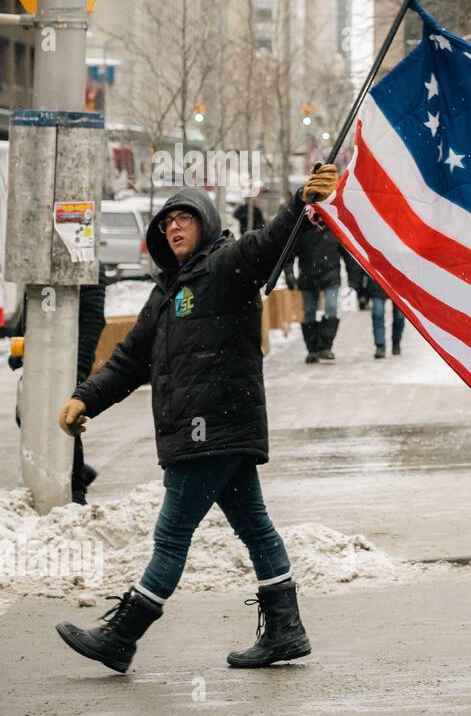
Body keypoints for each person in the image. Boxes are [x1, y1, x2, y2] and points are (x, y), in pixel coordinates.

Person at [52, 165, 339, 674]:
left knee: (171, 535)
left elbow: (269, 243)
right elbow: (128, 361)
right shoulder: (165, 293)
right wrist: (85, 399)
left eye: (185, 218)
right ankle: (285, 629)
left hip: (212, 427)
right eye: (167, 223)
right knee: (256, 528)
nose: (175, 228)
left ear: (204, 223)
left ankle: (123, 635)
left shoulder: (226, 266)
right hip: (213, 430)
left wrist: (299, 201)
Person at [7, 275, 106, 504]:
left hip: (69, 360)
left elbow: (93, 320)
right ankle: (79, 472)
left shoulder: (85, 264)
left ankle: (76, 489)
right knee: (26, 414)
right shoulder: (41, 257)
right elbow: (32, 307)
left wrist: (79, 367)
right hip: (40, 358)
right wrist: (22, 345)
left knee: (65, 421)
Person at [288, 209, 344, 364]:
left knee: (331, 308)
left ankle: (326, 346)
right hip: (308, 277)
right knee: (308, 312)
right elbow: (289, 254)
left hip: (331, 277)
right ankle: (312, 349)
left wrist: (355, 280)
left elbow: (348, 254)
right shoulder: (302, 229)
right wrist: (288, 273)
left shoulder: (335, 228)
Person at [360, 271, 404, 359]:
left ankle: (396, 342)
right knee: (377, 314)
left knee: (399, 316)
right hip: (377, 282)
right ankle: (380, 346)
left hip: (399, 282)